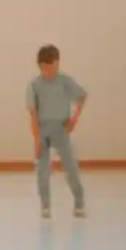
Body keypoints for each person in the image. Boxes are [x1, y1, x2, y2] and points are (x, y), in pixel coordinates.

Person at [27, 44, 87, 220]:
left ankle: (79, 202)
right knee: (42, 171)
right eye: (46, 67)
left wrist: (74, 119)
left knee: (71, 167)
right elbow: (32, 113)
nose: (50, 71)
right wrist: (36, 140)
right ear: (40, 66)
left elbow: (82, 97)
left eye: (53, 66)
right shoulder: (35, 85)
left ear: (57, 63)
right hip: (43, 129)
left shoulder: (65, 81)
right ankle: (45, 206)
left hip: (61, 129)